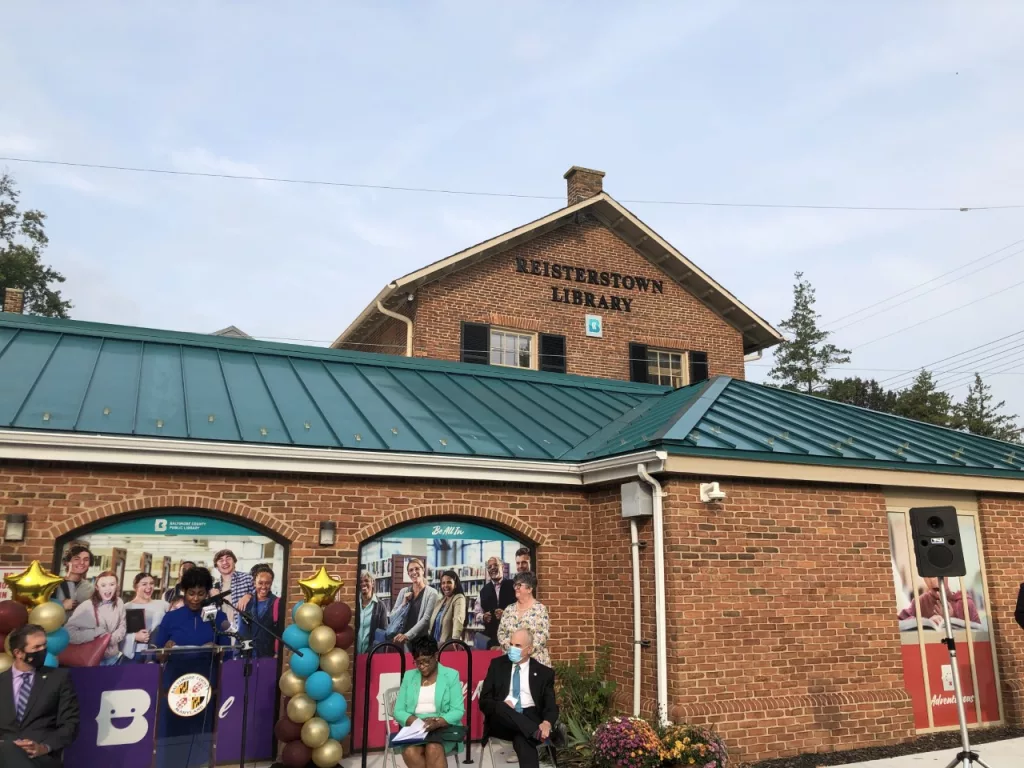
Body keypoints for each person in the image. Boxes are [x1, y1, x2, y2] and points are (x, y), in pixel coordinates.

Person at [151, 567, 231, 768]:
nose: (195, 599)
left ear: (207, 593)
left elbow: (229, 652)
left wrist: (217, 648)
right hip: (176, 684)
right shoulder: (171, 618)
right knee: (175, 732)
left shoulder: (218, 618)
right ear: (184, 592)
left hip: (207, 684)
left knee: (203, 733)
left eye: (201, 593)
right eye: (191, 593)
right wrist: (166, 649)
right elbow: (156, 654)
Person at [0, 623, 80, 768]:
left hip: (41, 756)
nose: (42, 650)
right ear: (18, 653)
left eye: (44, 645)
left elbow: (70, 724)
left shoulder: (58, 679)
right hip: (3, 753)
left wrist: (44, 747)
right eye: (36, 647)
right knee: (8, 749)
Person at [479, 629, 562, 768]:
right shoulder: (497, 665)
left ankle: (532, 731)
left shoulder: (544, 673)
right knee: (501, 706)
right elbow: (484, 702)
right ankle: (534, 731)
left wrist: (547, 723)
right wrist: (502, 705)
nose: (512, 649)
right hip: (502, 720)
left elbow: (550, 705)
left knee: (522, 739)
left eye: (517, 646)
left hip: (530, 715)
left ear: (529, 649)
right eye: (511, 644)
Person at [393, 636, 465, 768]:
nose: (422, 666)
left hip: (443, 725)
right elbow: (398, 711)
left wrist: (437, 723)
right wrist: (416, 722)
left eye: (426, 661)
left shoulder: (451, 675)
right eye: (418, 662)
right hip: (416, 728)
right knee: (410, 751)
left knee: (433, 748)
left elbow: (458, 710)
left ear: (436, 656)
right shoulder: (409, 677)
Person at [65, 570, 127, 666]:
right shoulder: (87, 606)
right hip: (92, 658)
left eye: (112, 584)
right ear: (97, 587)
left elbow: (122, 626)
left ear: (116, 586)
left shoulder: (119, 603)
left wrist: (109, 639)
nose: (108, 589)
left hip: (113, 658)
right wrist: (95, 634)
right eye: (103, 585)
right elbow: (68, 633)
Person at [497, 573, 550, 667]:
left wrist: (523, 654)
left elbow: (541, 638)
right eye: (515, 585)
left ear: (530, 589)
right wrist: (513, 651)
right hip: (511, 662)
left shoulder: (540, 609)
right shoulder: (509, 609)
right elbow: (501, 633)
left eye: (519, 585)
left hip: (535, 664)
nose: (516, 588)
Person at [390, 558, 439, 650]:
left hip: (422, 642)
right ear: (408, 574)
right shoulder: (403, 592)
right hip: (403, 642)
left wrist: (407, 636)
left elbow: (426, 619)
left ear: (423, 570)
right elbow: (392, 616)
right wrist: (403, 604)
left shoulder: (432, 593)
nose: (414, 572)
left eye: (417, 569)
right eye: (411, 570)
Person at [897, 576, 982, 629]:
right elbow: (897, 622)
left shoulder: (965, 603)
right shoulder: (920, 602)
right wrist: (924, 623)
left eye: (938, 575)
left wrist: (952, 618)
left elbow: (979, 637)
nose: (933, 581)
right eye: (928, 575)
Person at [122, 572, 170, 662]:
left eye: (151, 583)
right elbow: (120, 634)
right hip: (135, 653)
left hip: (158, 652)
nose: (149, 587)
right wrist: (134, 637)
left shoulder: (163, 605)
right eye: (144, 584)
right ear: (135, 587)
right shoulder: (126, 607)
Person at [211, 550, 254, 634]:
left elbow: (262, 597)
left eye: (228, 558)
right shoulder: (214, 587)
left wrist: (249, 595)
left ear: (234, 562)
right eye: (221, 560)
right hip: (223, 633)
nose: (225, 562)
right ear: (216, 566)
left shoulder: (247, 578)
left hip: (244, 631)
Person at [477, 557, 515, 650]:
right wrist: (483, 617)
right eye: (490, 567)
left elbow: (522, 609)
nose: (493, 568)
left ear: (502, 567)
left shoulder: (514, 585)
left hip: (512, 636)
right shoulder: (483, 591)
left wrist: (506, 614)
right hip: (491, 637)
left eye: (496, 565)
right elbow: (477, 613)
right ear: (488, 570)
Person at [244, 565, 281, 658]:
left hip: (268, 655)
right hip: (249, 655)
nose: (264, 587)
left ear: (271, 583)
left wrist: (277, 653)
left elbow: (280, 632)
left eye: (267, 583)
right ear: (254, 583)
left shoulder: (277, 603)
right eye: (260, 583)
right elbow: (242, 631)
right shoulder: (247, 603)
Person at [53, 545, 94, 618]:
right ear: (67, 562)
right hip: (57, 628)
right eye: (76, 559)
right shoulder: (54, 585)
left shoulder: (90, 589)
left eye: (86, 560)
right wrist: (62, 606)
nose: (82, 562)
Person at [429, 570, 467, 644]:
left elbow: (458, 619)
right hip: (434, 645)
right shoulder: (440, 601)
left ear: (455, 585)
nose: (445, 585)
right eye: (443, 583)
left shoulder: (459, 598)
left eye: (449, 582)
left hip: (446, 645)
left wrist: (455, 640)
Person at [357, 570, 388, 654]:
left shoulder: (380, 606)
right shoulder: (354, 603)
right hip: (353, 654)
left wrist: (372, 651)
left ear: (373, 583)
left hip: (371, 654)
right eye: (360, 581)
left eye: (366, 580)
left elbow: (383, 633)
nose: (363, 583)